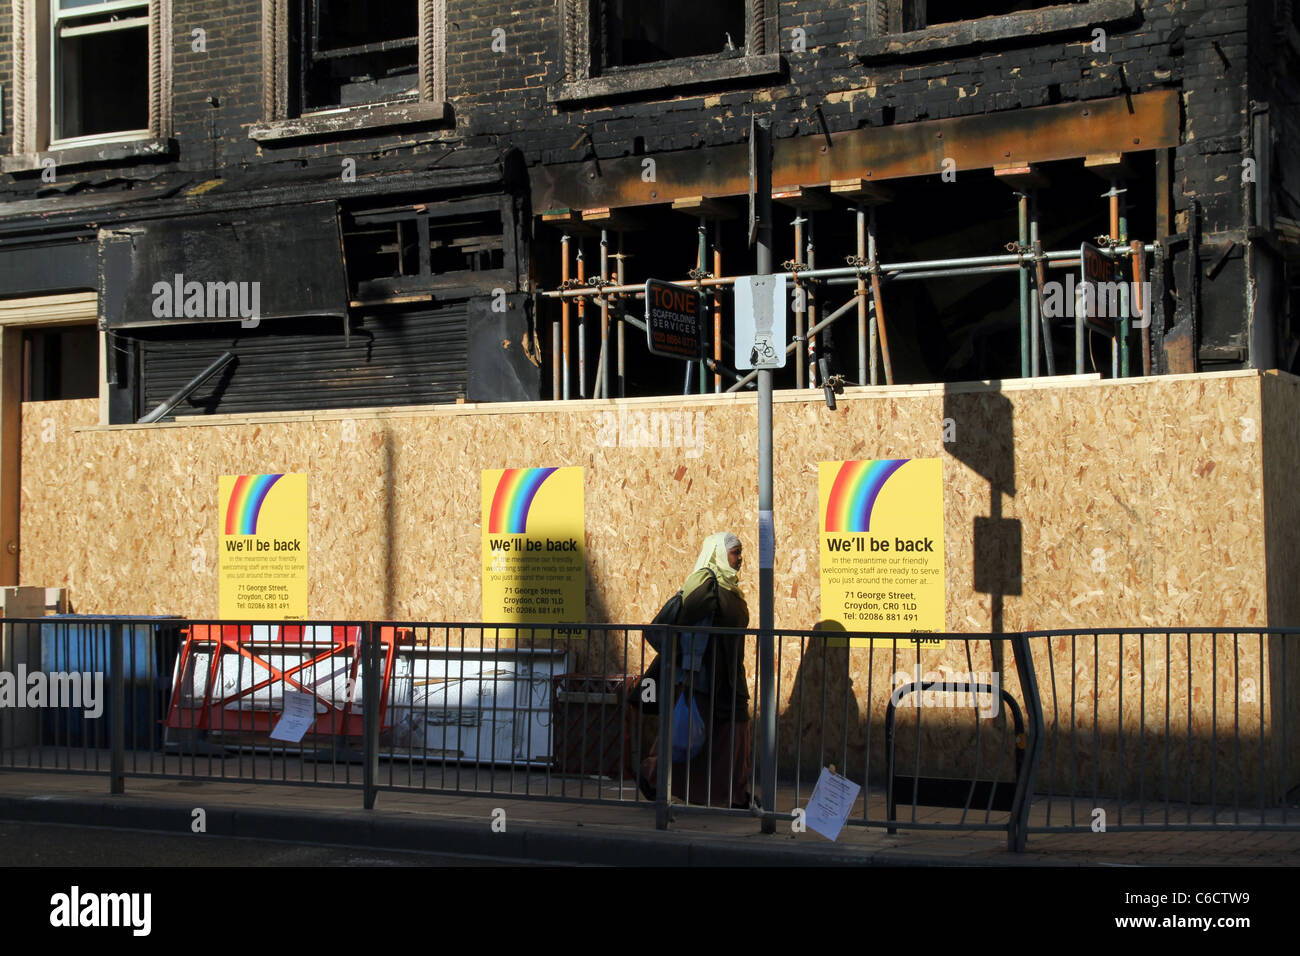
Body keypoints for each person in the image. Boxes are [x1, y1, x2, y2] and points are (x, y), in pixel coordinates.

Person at [639, 532, 753, 809]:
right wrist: (690, 673)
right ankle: (654, 777)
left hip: (727, 675)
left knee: (730, 733)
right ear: (717, 553)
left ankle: (730, 793)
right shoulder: (706, 584)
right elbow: (695, 632)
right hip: (703, 675)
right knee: (688, 733)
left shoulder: (730, 588)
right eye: (735, 552)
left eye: (740, 552)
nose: (740, 559)